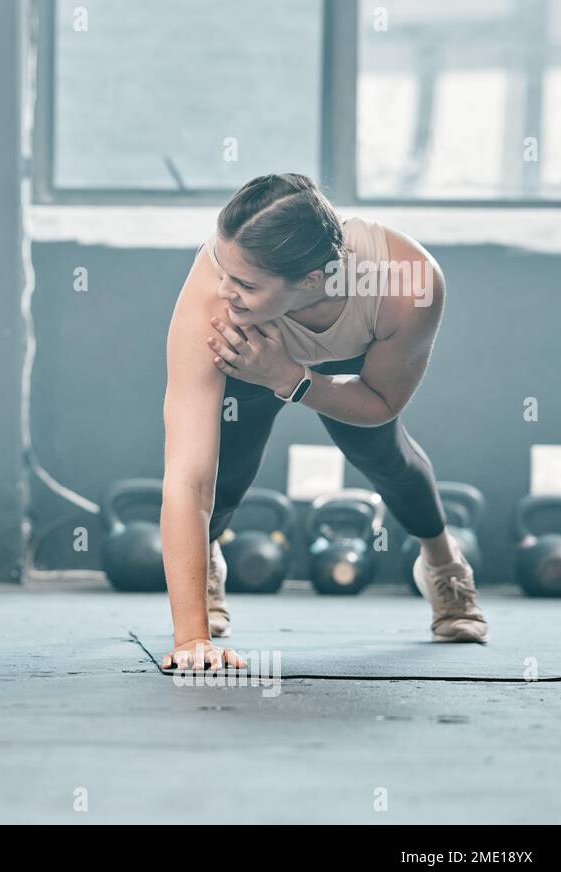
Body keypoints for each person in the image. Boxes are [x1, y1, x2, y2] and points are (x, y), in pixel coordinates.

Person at [160, 173, 488, 671]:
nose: (224, 289)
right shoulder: (214, 298)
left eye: (246, 283)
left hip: (344, 362)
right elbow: (187, 477)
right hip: (247, 357)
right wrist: (191, 642)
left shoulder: (407, 283)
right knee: (225, 474)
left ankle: (443, 563)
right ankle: (205, 564)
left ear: (312, 280)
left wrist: (290, 377)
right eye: (220, 266)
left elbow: (381, 403)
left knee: (383, 456)